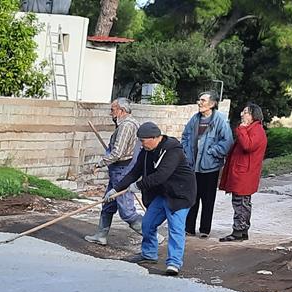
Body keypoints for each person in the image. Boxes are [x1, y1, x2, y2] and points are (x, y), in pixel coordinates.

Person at [113, 122, 196, 276]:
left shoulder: (173, 151)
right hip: (162, 194)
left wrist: (138, 186)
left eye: (143, 141)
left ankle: (174, 263)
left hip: (180, 195)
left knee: (176, 229)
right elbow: (134, 172)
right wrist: (116, 189)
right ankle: (149, 254)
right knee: (147, 223)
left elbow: (161, 176)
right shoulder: (146, 151)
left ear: (154, 138)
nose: (141, 144)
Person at [84, 97, 143, 246]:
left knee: (127, 211)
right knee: (108, 204)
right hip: (118, 170)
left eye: (113, 110)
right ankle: (101, 235)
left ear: (121, 111)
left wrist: (100, 164)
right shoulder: (132, 123)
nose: (111, 113)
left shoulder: (126, 126)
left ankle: (151, 234)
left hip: (122, 171)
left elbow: (117, 153)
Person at [179, 91, 232, 238]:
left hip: (210, 167)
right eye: (199, 100)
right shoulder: (195, 119)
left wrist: (212, 152)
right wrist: (186, 152)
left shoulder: (220, 120)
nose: (199, 103)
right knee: (192, 197)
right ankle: (189, 228)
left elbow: (227, 142)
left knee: (208, 200)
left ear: (212, 104)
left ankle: (204, 230)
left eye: (203, 100)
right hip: (193, 165)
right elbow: (185, 137)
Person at [218, 103, 268, 242]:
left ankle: (238, 231)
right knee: (242, 202)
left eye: (245, 112)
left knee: (241, 203)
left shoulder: (255, 130)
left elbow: (247, 146)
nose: (242, 114)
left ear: (253, 115)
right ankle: (242, 229)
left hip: (245, 174)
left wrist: (241, 129)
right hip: (243, 172)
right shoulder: (252, 129)